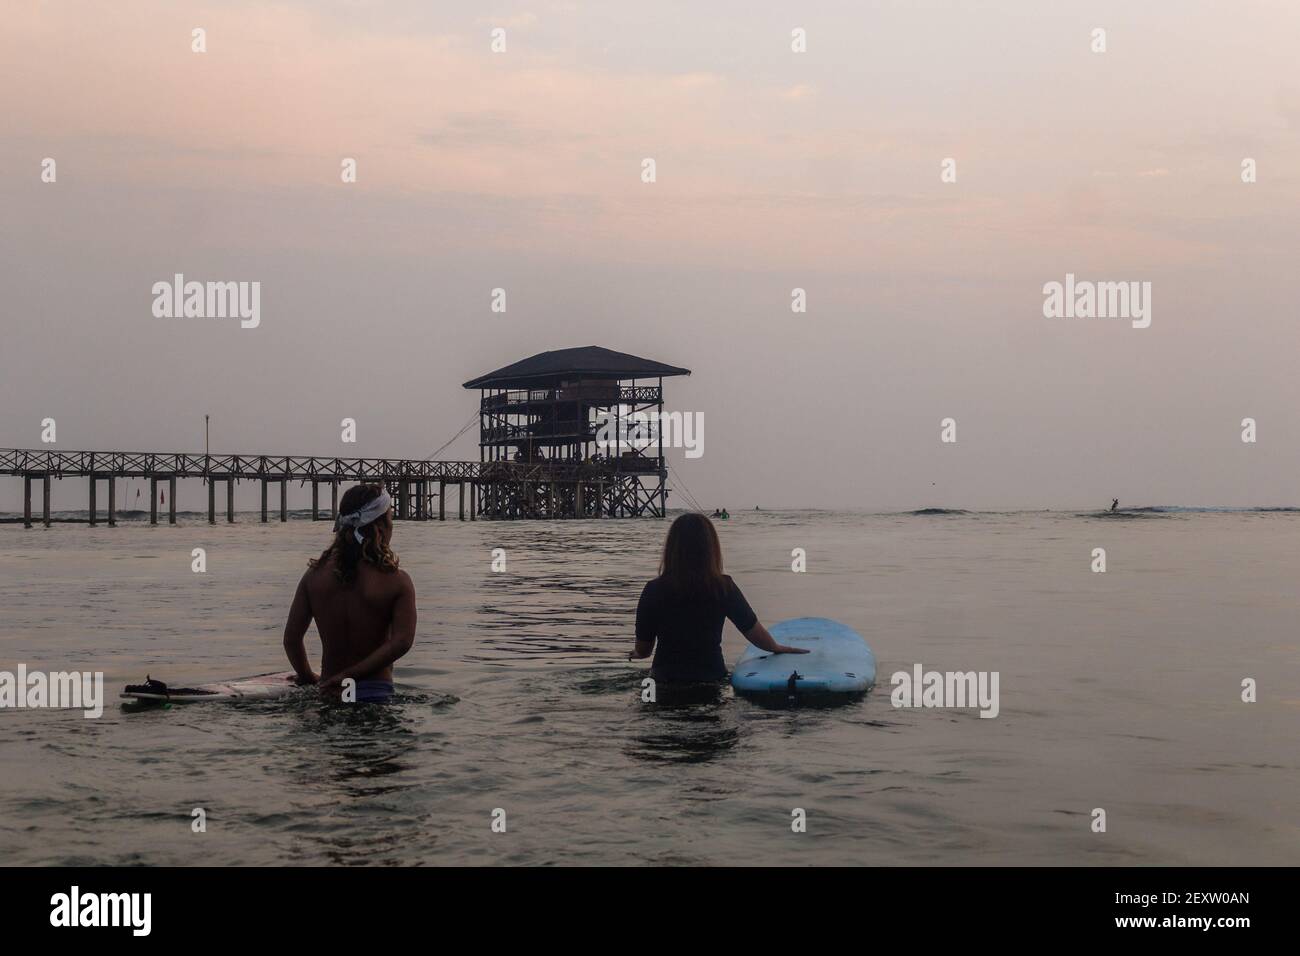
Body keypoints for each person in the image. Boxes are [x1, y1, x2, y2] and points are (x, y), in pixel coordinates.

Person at [630, 512, 807, 683]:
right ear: (711, 548)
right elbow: (753, 632)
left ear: (671, 549)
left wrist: (638, 654)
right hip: (711, 679)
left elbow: (644, 650)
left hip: (664, 681)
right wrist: (776, 647)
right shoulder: (723, 587)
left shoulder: (653, 589)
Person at [282, 484, 416, 702]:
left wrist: (309, 677)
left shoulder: (313, 577)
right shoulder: (397, 581)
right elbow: (401, 642)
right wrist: (349, 676)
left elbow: (291, 639)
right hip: (374, 693)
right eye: (390, 520)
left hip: (329, 694)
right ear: (380, 526)